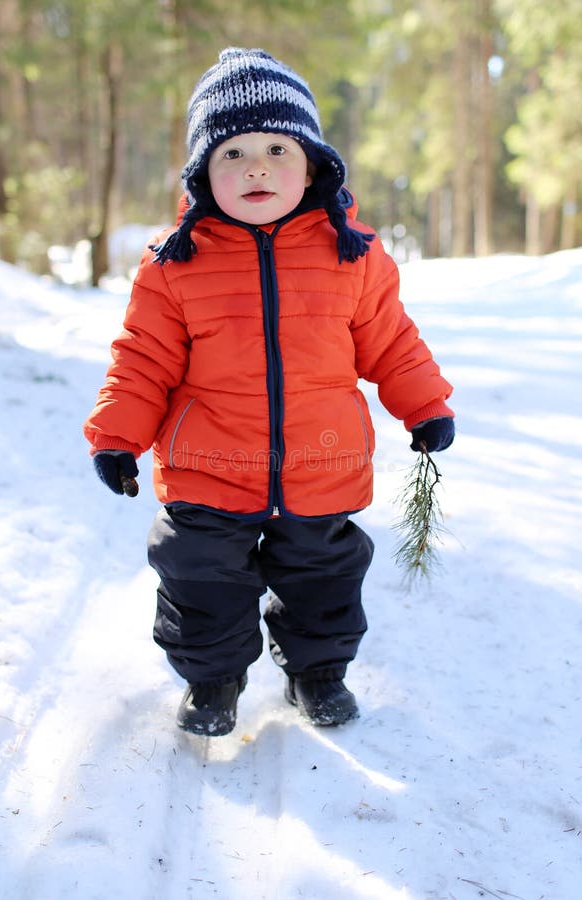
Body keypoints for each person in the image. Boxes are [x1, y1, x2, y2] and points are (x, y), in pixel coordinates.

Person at [84, 47, 455, 737]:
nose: (256, 166)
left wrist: (425, 405)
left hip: (321, 460)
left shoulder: (352, 253)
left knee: (325, 578)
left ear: (312, 165)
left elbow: (392, 340)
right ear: (203, 174)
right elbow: (143, 359)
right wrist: (116, 436)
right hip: (208, 465)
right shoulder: (174, 262)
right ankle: (213, 681)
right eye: (233, 153)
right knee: (200, 578)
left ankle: (318, 672)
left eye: (277, 149)